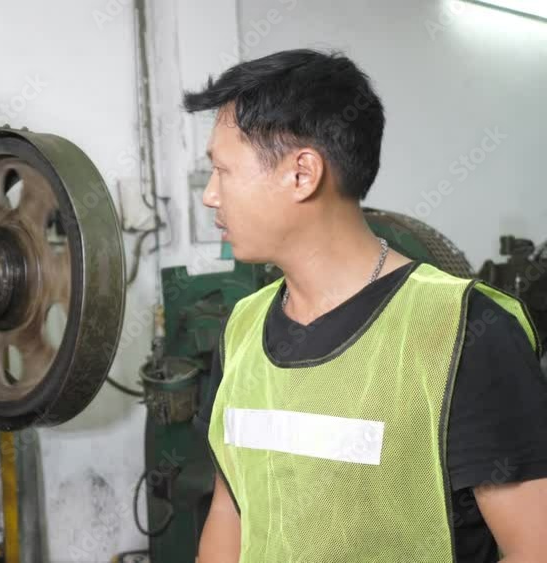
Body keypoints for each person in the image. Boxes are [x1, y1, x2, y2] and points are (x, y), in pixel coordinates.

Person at [185, 49, 547, 562]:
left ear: (301, 174)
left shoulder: (465, 332)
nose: (210, 196)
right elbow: (231, 508)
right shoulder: (242, 328)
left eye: (222, 170)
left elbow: (535, 548)